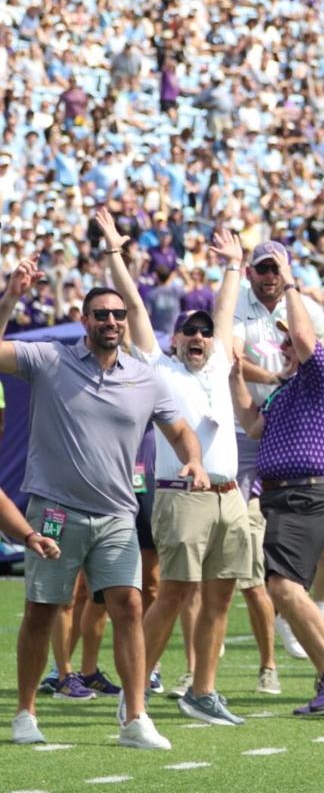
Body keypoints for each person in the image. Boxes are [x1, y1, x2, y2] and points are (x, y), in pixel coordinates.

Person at [3, 258, 208, 749]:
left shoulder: (145, 377)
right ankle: (25, 713)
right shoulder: (50, 360)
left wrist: (195, 461)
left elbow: (180, 433)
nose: (111, 321)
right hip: (54, 512)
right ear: (84, 319)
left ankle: (135, 717)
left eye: (118, 314)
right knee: (42, 610)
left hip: (118, 515)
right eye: (101, 314)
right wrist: (10, 298)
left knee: (130, 605)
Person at [96, 208, 252, 725]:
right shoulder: (158, 368)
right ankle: (133, 690)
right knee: (175, 593)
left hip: (229, 494)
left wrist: (235, 265)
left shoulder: (222, 359)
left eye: (205, 333)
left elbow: (226, 311)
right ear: (174, 339)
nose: (200, 338)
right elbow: (137, 307)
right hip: (180, 493)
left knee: (220, 595)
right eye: (190, 332)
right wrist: (116, 254)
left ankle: (201, 691)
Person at [229, 251, 324, 718]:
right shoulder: (287, 388)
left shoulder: (320, 372)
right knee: (285, 588)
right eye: (281, 343)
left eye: (290, 344)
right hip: (289, 494)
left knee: (282, 587)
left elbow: (305, 336)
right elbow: (251, 424)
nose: (285, 347)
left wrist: (289, 285)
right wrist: (233, 372)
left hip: (309, 490)